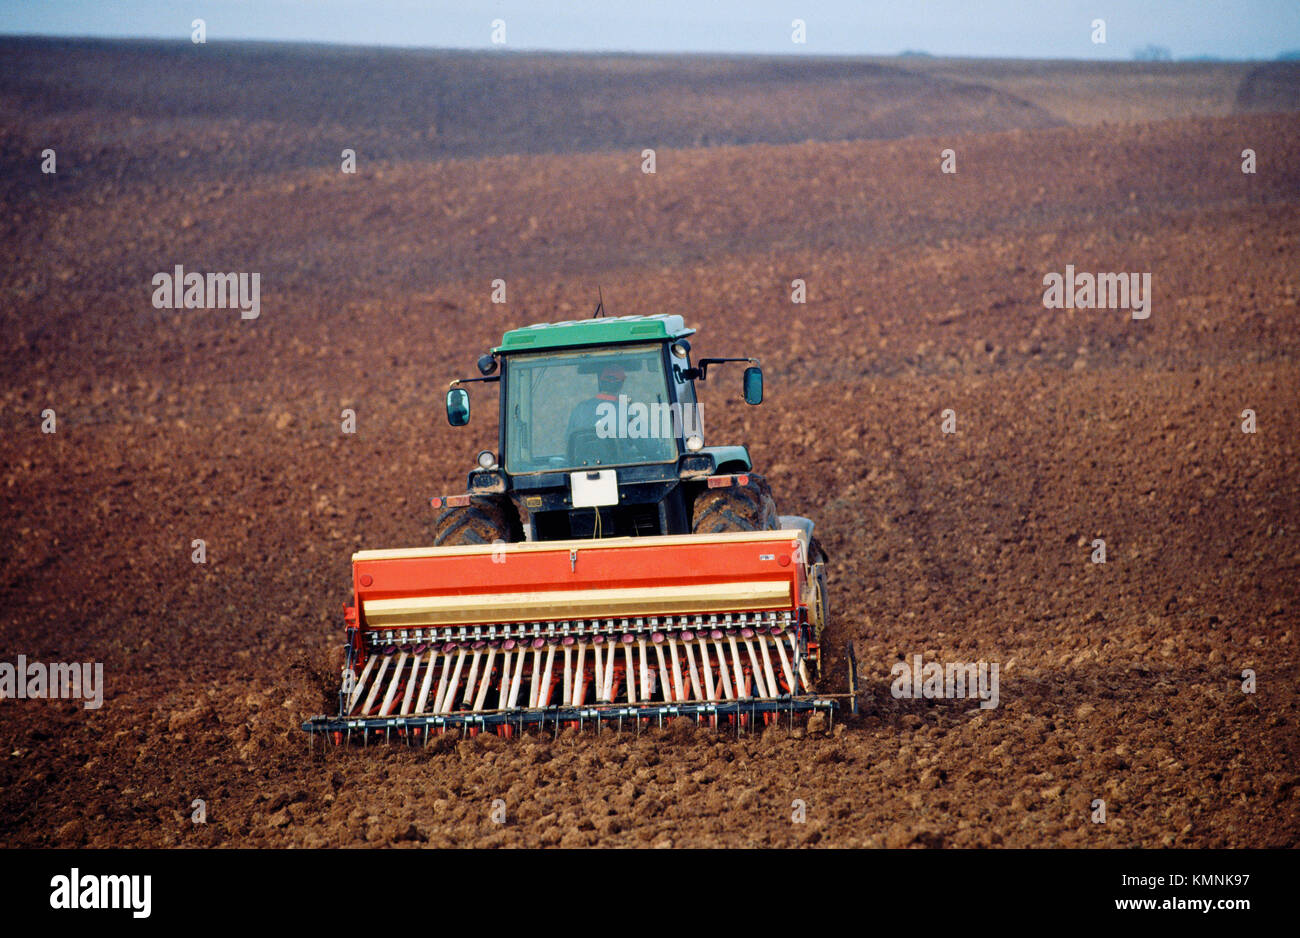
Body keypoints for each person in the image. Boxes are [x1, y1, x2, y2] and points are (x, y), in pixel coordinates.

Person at [566, 363, 625, 464]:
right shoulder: (627, 412)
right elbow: (650, 448)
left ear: (601, 382)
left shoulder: (580, 410)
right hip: (623, 472)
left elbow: (568, 442)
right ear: (621, 384)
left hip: (581, 468)